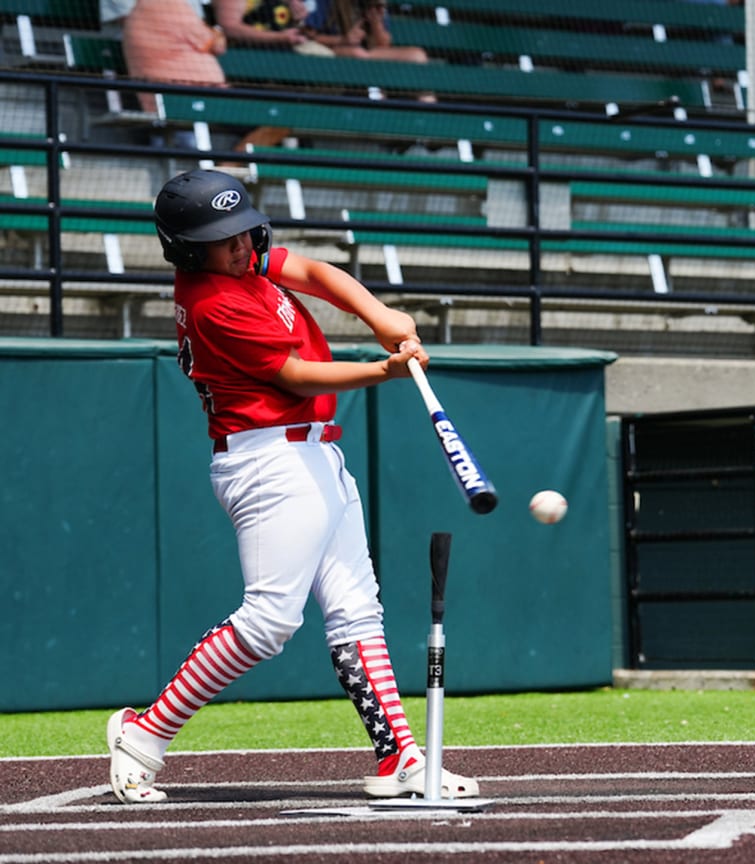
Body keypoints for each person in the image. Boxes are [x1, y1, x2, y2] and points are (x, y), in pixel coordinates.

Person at [106, 169, 480, 804]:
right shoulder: (212, 301)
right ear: (189, 250)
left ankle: (400, 759)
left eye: (241, 232)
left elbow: (313, 272)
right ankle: (144, 733)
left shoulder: (245, 264)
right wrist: (385, 368)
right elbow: (298, 375)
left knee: (357, 608)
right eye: (222, 241)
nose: (240, 245)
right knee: (270, 620)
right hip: (267, 462)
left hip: (314, 456)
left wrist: (380, 314)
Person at [121, 0, 289, 150]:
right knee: (282, 117)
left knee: (285, 114)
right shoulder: (167, 5)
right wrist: (215, 31)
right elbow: (217, 44)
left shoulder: (149, 6)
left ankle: (231, 169)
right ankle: (229, 170)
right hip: (190, 100)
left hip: (194, 97)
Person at [301, 0, 428, 64]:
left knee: (417, 55)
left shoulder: (374, 2)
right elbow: (308, 37)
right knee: (358, 54)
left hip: (369, 53)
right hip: (335, 49)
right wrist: (343, 40)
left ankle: (426, 111)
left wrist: (376, 22)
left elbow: (384, 44)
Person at [214, 0, 330, 55]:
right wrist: (279, 37)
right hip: (243, 56)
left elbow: (302, 30)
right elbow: (230, 27)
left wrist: (297, 19)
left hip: (283, 55)